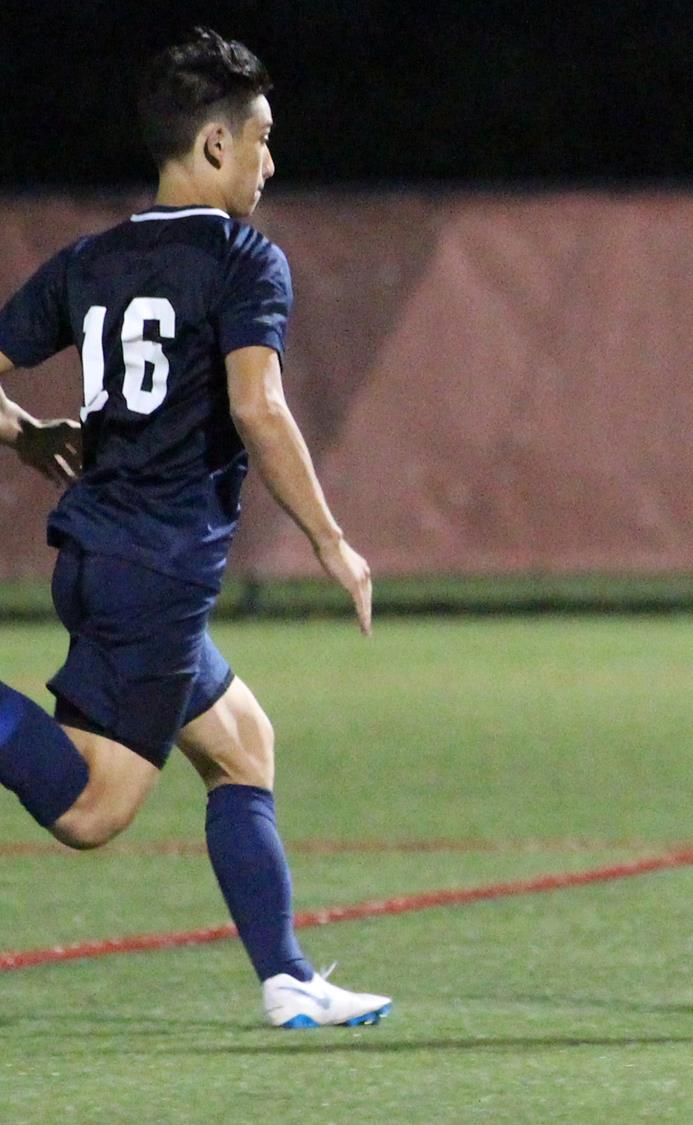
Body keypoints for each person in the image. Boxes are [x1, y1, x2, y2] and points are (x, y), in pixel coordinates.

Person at [0, 28, 389, 1028]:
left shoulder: (94, 259)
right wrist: (331, 541)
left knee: (241, 743)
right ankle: (287, 977)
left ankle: (286, 976)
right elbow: (258, 409)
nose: (270, 160)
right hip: (156, 570)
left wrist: (26, 435)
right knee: (91, 811)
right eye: (260, 138)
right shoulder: (244, 261)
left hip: (103, 553)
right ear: (215, 146)